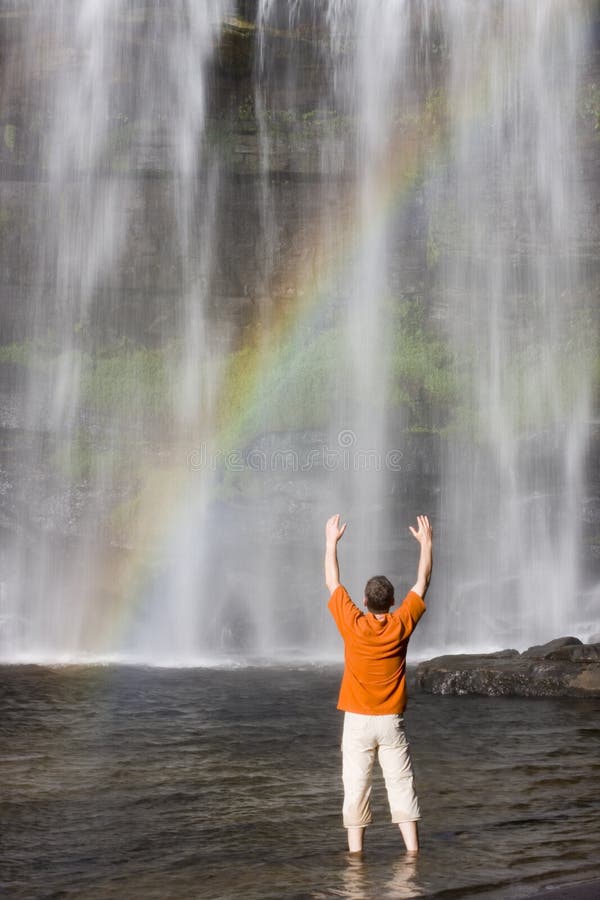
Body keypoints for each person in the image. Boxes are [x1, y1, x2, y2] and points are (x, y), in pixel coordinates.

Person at [325, 513, 433, 855]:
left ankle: (356, 856)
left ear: (366, 602)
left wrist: (331, 543)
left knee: (356, 786)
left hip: (357, 720)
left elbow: (332, 582)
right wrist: (427, 544)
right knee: (401, 784)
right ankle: (412, 851)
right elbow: (423, 582)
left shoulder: (353, 624)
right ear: (392, 600)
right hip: (391, 721)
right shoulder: (401, 624)